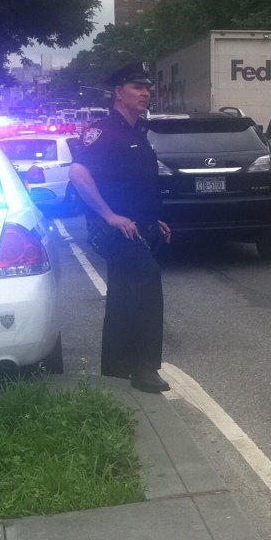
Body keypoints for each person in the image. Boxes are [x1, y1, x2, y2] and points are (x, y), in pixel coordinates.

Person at [67, 63, 172, 393]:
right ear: (118, 92)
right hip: (116, 230)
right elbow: (78, 174)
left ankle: (114, 367)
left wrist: (155, 220)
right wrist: (110, 215)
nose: (146, 93)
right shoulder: (102, 131)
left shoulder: (137, 131)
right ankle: (144, 369)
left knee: (124, 294)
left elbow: (136, 183)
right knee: (146, 286)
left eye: (148, 88)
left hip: (140, 226)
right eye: (137, 88)